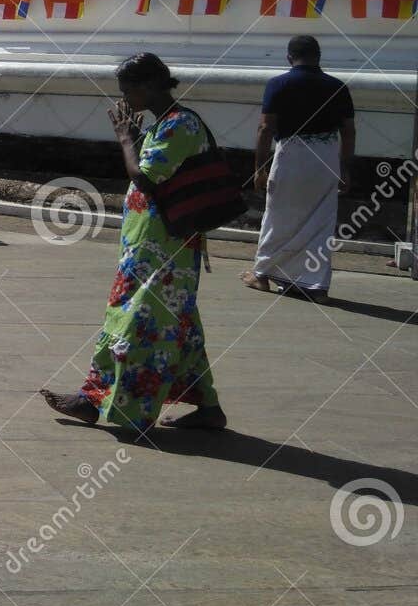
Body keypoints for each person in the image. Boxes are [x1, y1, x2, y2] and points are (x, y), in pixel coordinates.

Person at [41, 53, 226, 432]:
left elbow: (145, 177)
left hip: (161, 249)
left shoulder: (180, 125)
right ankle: (207, 407)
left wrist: (126, 139)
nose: (124, 99)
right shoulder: (167, 125)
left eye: (128, 90)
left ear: (149, 86)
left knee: (133, 321)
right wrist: (138, 138)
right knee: (176, 324)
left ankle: (109, 404)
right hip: (151, 244)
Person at [244, 35, 356, 300]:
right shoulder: (338, 87)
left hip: (291, 157)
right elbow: (349, 132)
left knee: (278, 217)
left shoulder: (278, 84)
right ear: (318, 56)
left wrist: (259, 167)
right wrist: (345, 168)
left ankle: (262, 275)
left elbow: (265, 128)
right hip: (326, 159)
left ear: (288, 57)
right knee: (320, 222)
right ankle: (316, 286)